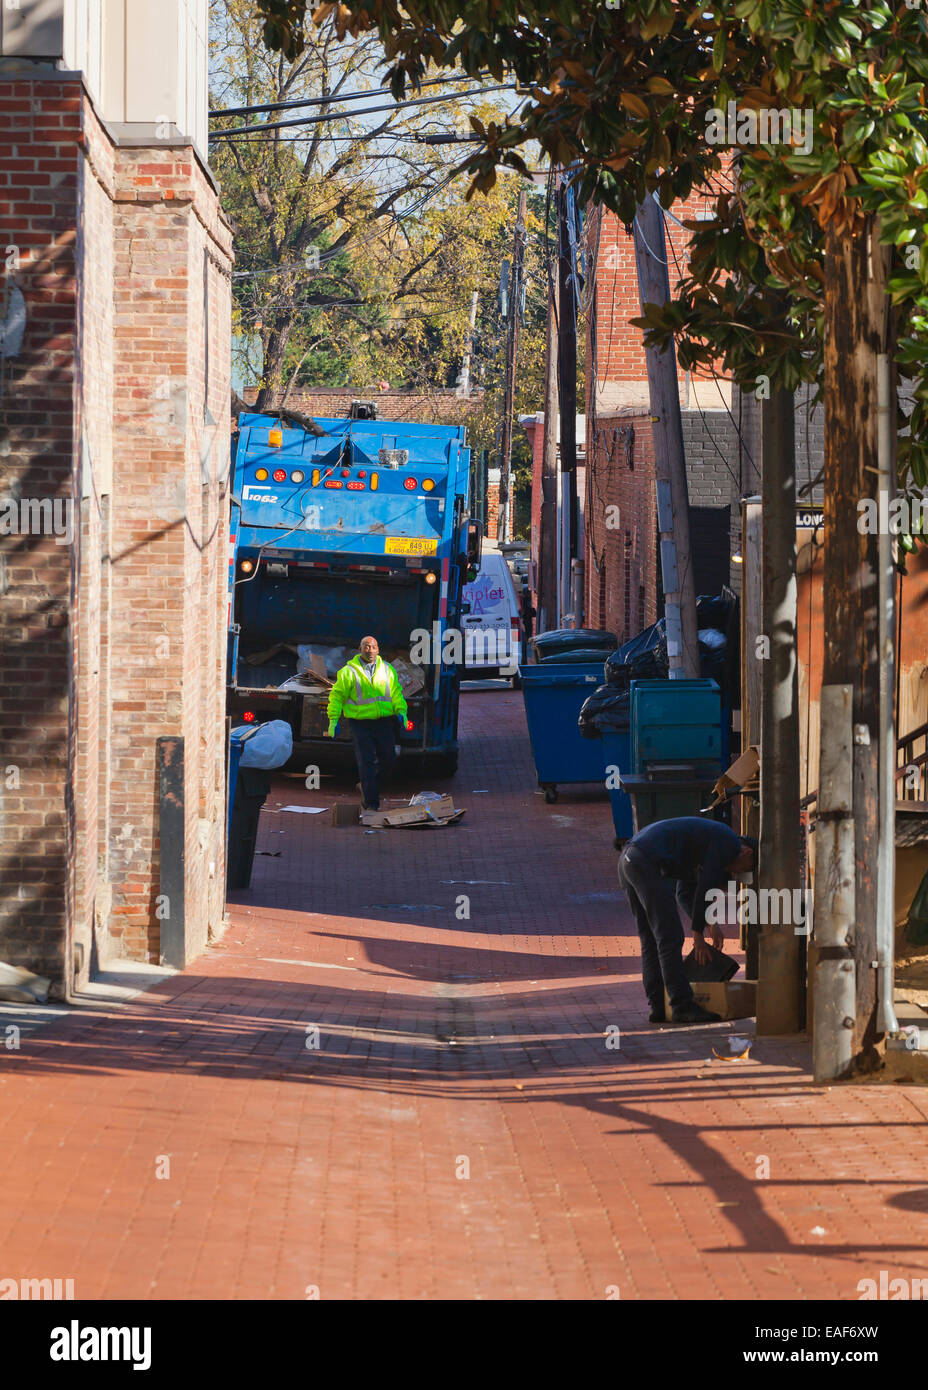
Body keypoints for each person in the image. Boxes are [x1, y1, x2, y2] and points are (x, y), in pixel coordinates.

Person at [617, 817, 757, 1025]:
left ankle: (658, 1006)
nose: (736, 873)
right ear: (747, 853)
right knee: (670, 937)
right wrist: (698, 934)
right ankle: (681, 1006)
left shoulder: (705, 844)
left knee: (651, 938)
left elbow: (684, 892)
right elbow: (704, 888)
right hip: (642, 862)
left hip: (629, 861)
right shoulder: (728, 842)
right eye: (744, 868)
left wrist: (709, 923)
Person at [325, 636, 410, 810]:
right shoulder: (348, 672)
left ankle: (367, 787)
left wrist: (402, 712)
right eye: (366, 646)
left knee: (389, 759)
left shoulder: (387, 670)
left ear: (378, 650)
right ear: (360, 649)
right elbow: (337, 697)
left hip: (384, 722)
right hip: (360, 723)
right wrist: (333, 720)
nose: (369, 650)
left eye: (373, 647)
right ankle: (372, 804)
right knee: (366, 762)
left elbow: (396, 693)